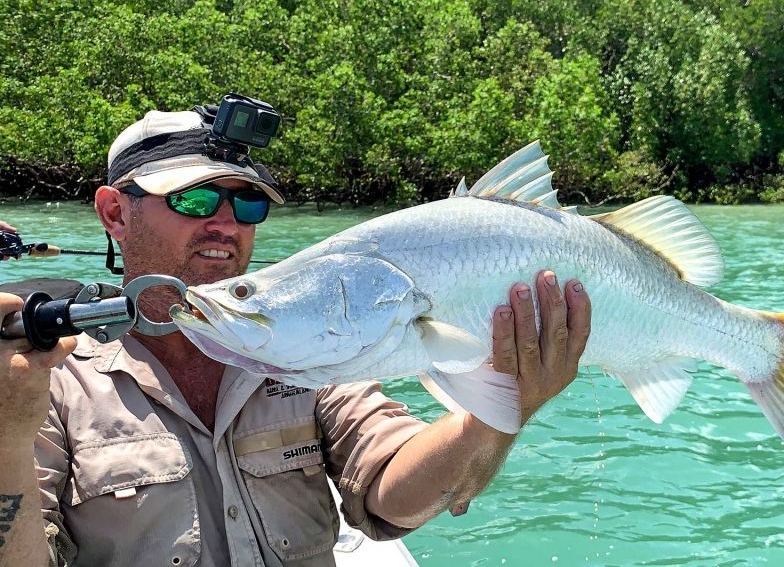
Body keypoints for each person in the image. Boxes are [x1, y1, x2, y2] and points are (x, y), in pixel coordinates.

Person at [0, 103, 592, 567]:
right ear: (114, 213)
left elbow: (394, 496)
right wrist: (6, 434)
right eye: (195, 197)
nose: (226, 223)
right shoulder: (44, 370)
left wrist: (502, 409)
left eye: (249, 204)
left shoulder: (305, 339)